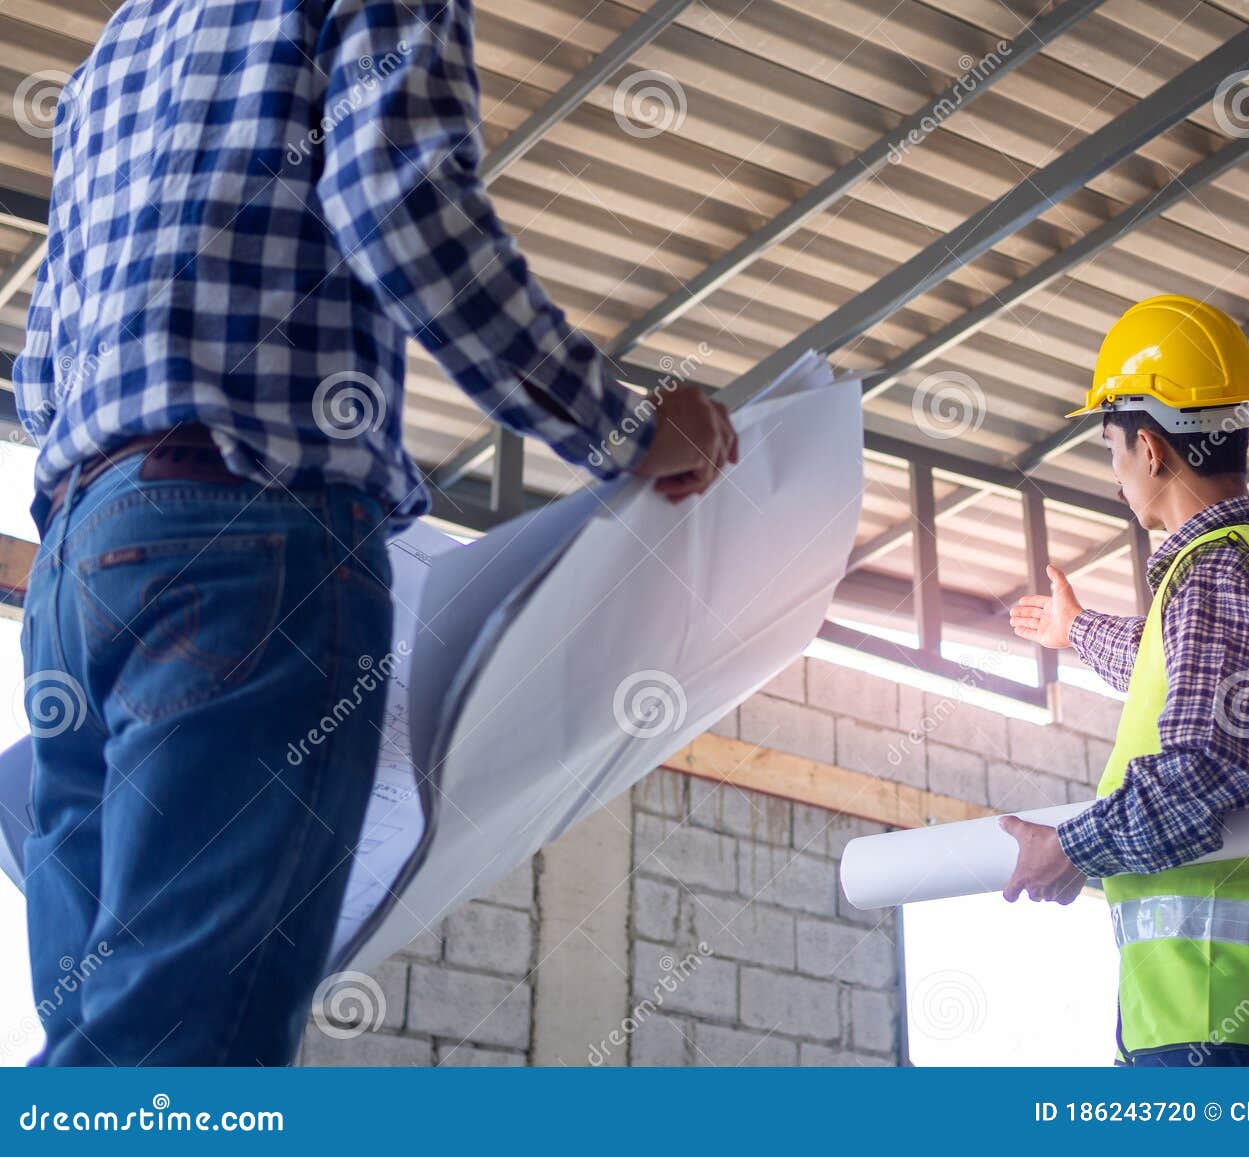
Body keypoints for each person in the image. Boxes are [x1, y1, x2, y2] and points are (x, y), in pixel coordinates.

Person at [12, 0, 733, 1066]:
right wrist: (621, 423)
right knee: (180, 1052)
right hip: (249, 540)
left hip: (81, 564)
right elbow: (398, 210)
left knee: (104, 1028)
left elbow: (39, 378)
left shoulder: (118, 47)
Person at [1003, 294, 1249, 1068]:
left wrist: (1073, 847)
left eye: (1111, 451)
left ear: (1151, 449)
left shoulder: (1216, 570)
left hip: (1212, 1015)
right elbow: (1186, 678)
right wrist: (1077, 631)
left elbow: (1211, 763)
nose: (1116, 476)